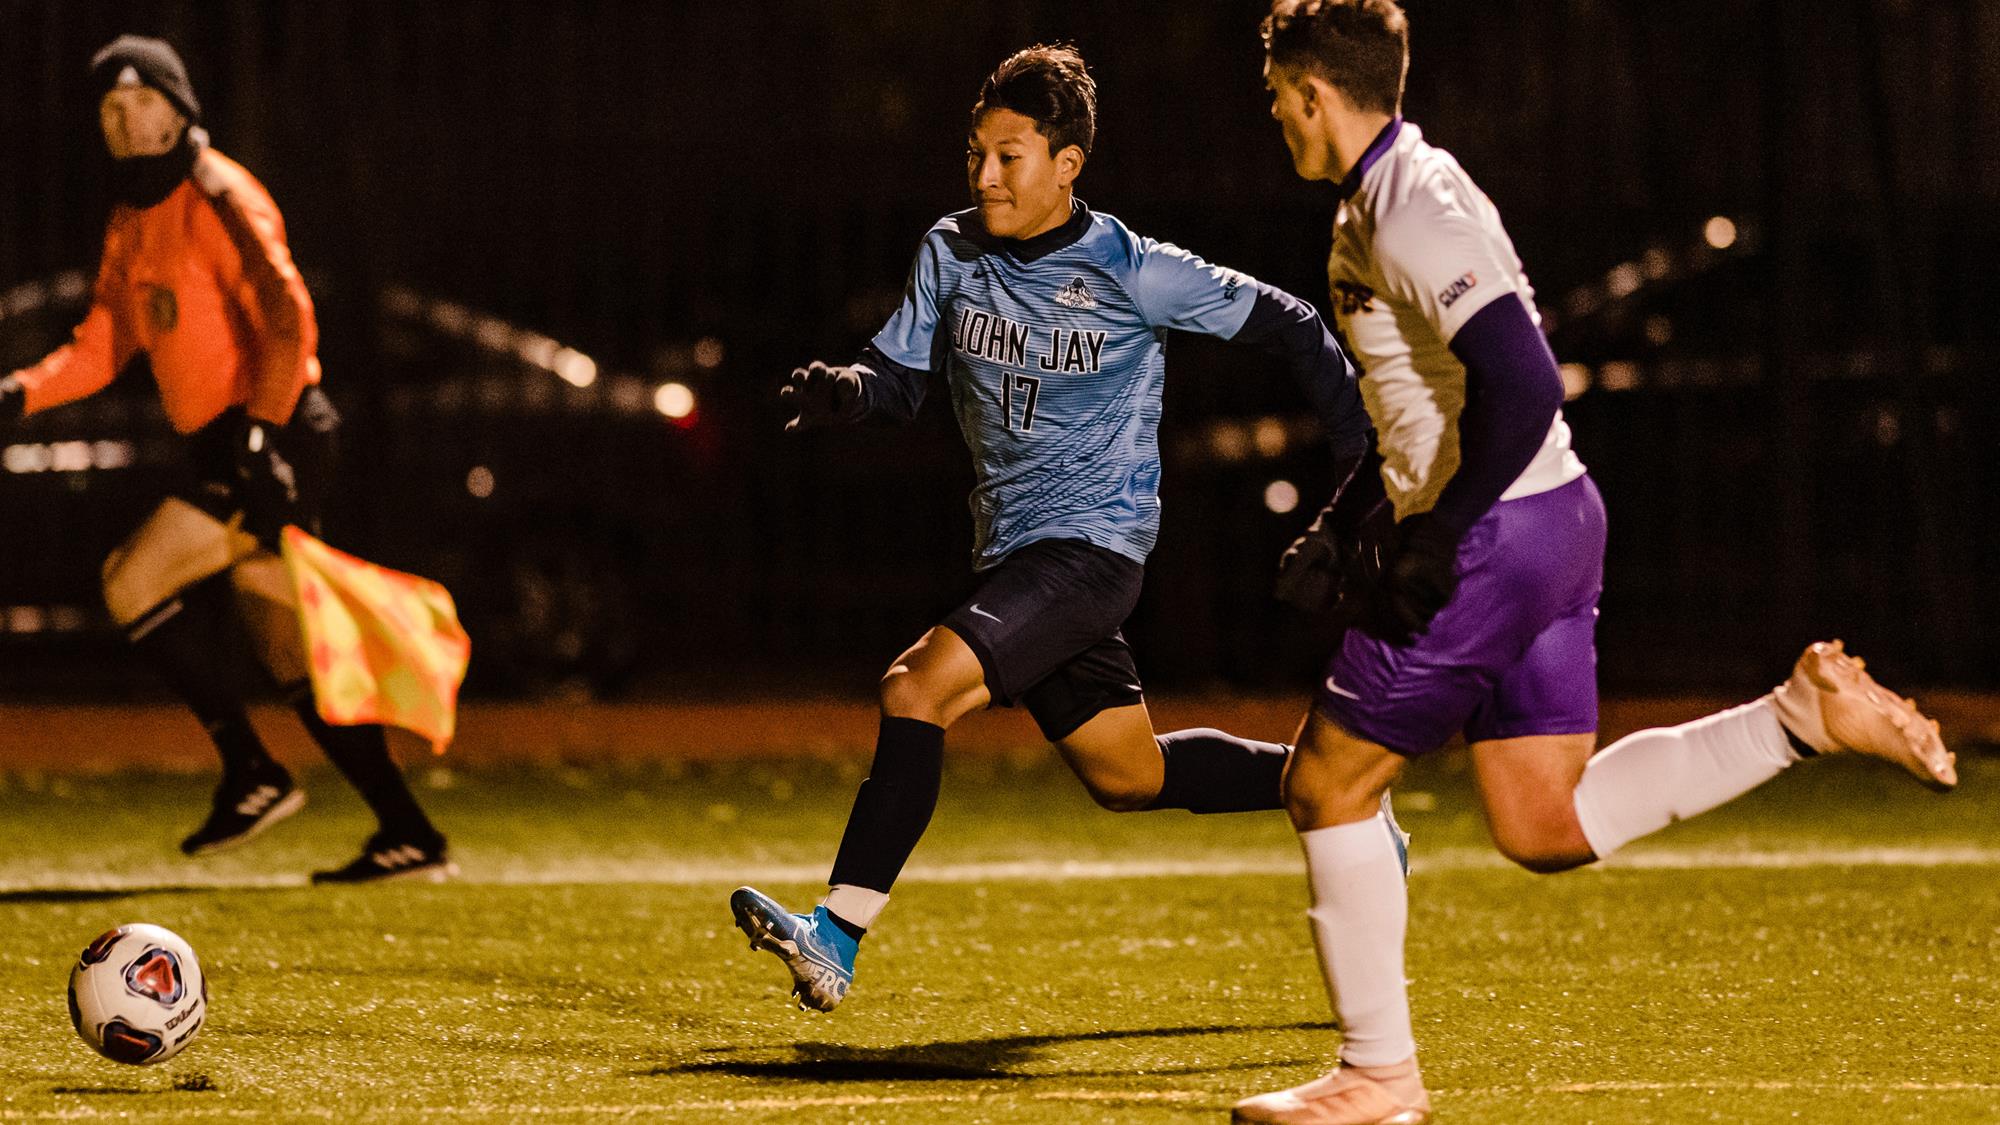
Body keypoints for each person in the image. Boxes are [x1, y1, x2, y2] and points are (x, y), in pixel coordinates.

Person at [1230, 3, 1958, 1122]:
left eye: (1275, 92)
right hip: (1552, 518)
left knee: (1326, 782)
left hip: (1502, 534)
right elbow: (1429, 397)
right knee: (1540, 823)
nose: (1269, 111)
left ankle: (1377, 1076)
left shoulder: (1408, 210)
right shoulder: (1396, 189)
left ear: (1314, 93)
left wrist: (1439, 531)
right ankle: (1798, 717)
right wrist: (1347, 516)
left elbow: (1522, 385)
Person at [730, 43, 1378, 1013]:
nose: (985, 175)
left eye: (1010, 156)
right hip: (1015, 552)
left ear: (1066, 163)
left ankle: (836, 935)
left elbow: (1291, 324)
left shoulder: (1132, 269)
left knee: (915, 688)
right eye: (976, 155)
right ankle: (1342, 790)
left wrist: (1353, 461)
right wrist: (846, 394)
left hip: (1091, 551)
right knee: (1127, 774)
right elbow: (899, 380)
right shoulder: (949, 248)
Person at [0, 36, 456, 884]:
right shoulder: (133, 213)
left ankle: (252, 770)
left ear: (179, 109)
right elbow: (104, 344)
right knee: (288, 649)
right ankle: (409, 833)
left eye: (140, 99)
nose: (123, 116)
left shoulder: (218, 193)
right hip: (234, 443)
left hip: (273, 438)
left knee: (131, 578)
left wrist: (258, 433)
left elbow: (289, 317)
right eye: (107, 105)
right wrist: (19, 393)